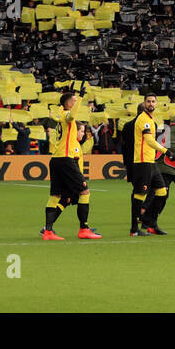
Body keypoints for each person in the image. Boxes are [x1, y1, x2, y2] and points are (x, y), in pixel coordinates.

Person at [42, 90, 101, 241]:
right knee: (84, 192)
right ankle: (84, 229)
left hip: (56, 159)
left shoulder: (60, 113)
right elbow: (72, 116)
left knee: (56, 195)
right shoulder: (66, 115)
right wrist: (81, 98)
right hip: (65, 159)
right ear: (69, 103)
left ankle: (48, 231)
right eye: (74, 101)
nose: (76, 103)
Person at [128, 92, 170, 237]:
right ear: (144, 103)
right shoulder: (143, 119)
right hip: (142, 162)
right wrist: (165, 151)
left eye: (153, 101)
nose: (151, 104)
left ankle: (151, 223)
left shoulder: (151, 120)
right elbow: (149, 140)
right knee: (140, 194)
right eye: (148, 101)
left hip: (150, 162)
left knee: (162, 191)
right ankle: (134, 229)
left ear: (156, 103)